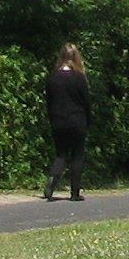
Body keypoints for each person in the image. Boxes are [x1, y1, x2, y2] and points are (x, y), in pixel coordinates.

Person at [44, 43, 91, 202]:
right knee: (77, 155)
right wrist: (88, 121)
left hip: (58, 121)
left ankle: (52, 181)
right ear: (76, 57)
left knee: (61, 154)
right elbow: (86, 102)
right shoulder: (79, 77)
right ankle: (75, 192)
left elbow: (49, 102)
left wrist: (52, 119)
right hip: (77, 120)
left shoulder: (53, 77)